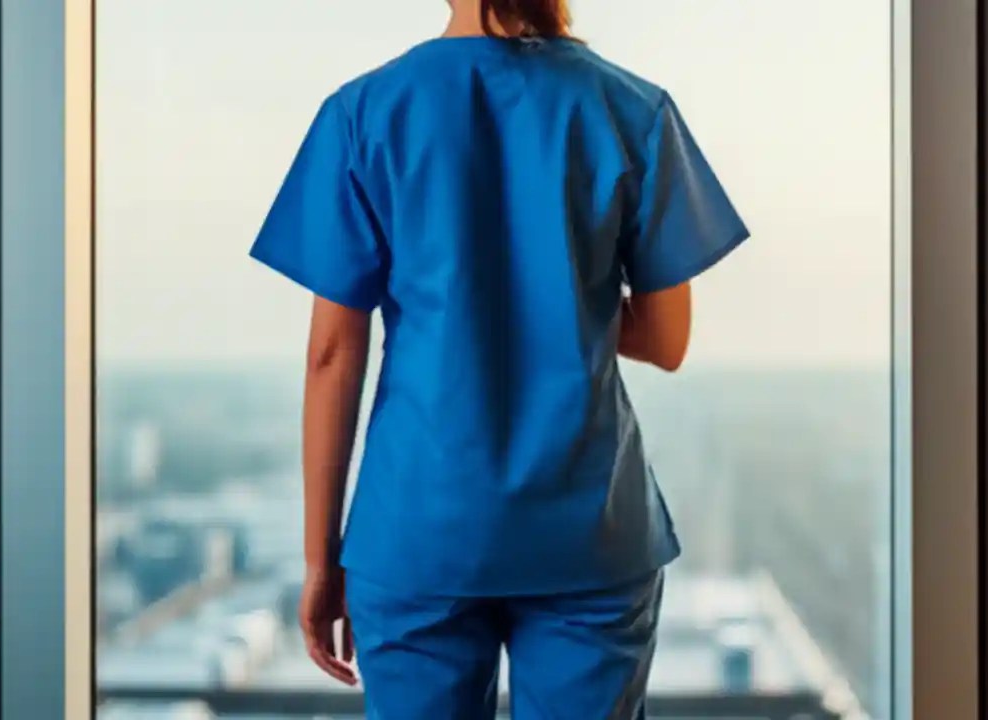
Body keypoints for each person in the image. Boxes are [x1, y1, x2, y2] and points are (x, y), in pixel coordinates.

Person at [249, 0, 748, 716]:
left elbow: (333, 356)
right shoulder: (632, 109)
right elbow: (667, 343)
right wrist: (556, 304)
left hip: (418, 531)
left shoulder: (363, 112)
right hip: (590, 532)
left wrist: (321, 560)